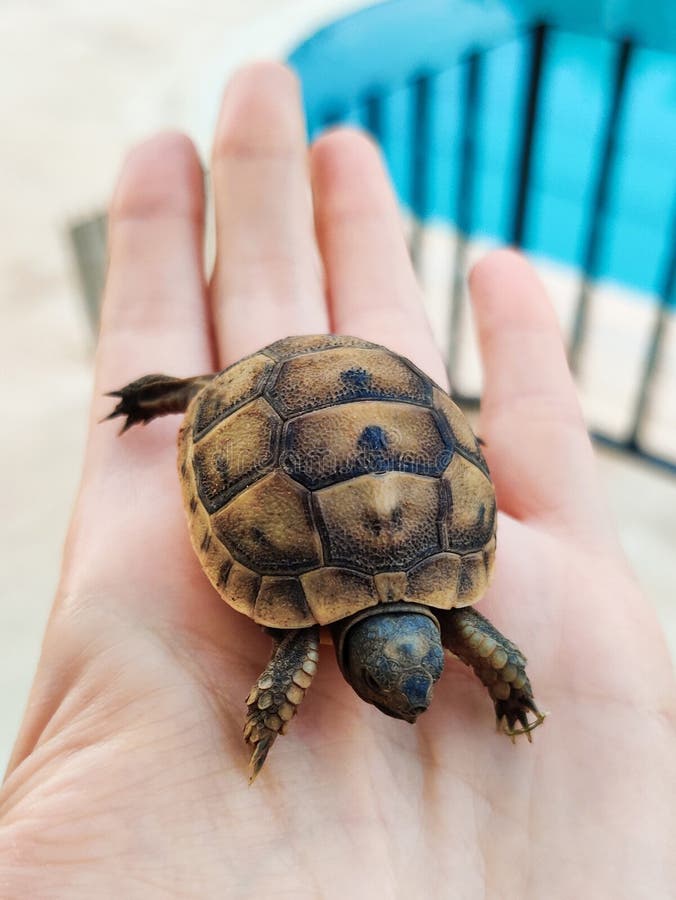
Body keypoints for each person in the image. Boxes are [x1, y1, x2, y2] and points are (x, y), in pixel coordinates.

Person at [1, 62, 674, 898]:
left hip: (366, 400)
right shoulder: (368, 629)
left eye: (407, 682)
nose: (411, 700)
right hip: (315, 397)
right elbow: (477, 645)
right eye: (406, 682)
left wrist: (510, 692)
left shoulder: (417, 623)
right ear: (354, 665)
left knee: (232, 414)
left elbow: (488, 651)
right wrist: (505, 689)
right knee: (218, 399)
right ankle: (182, 396)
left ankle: (191, 396)